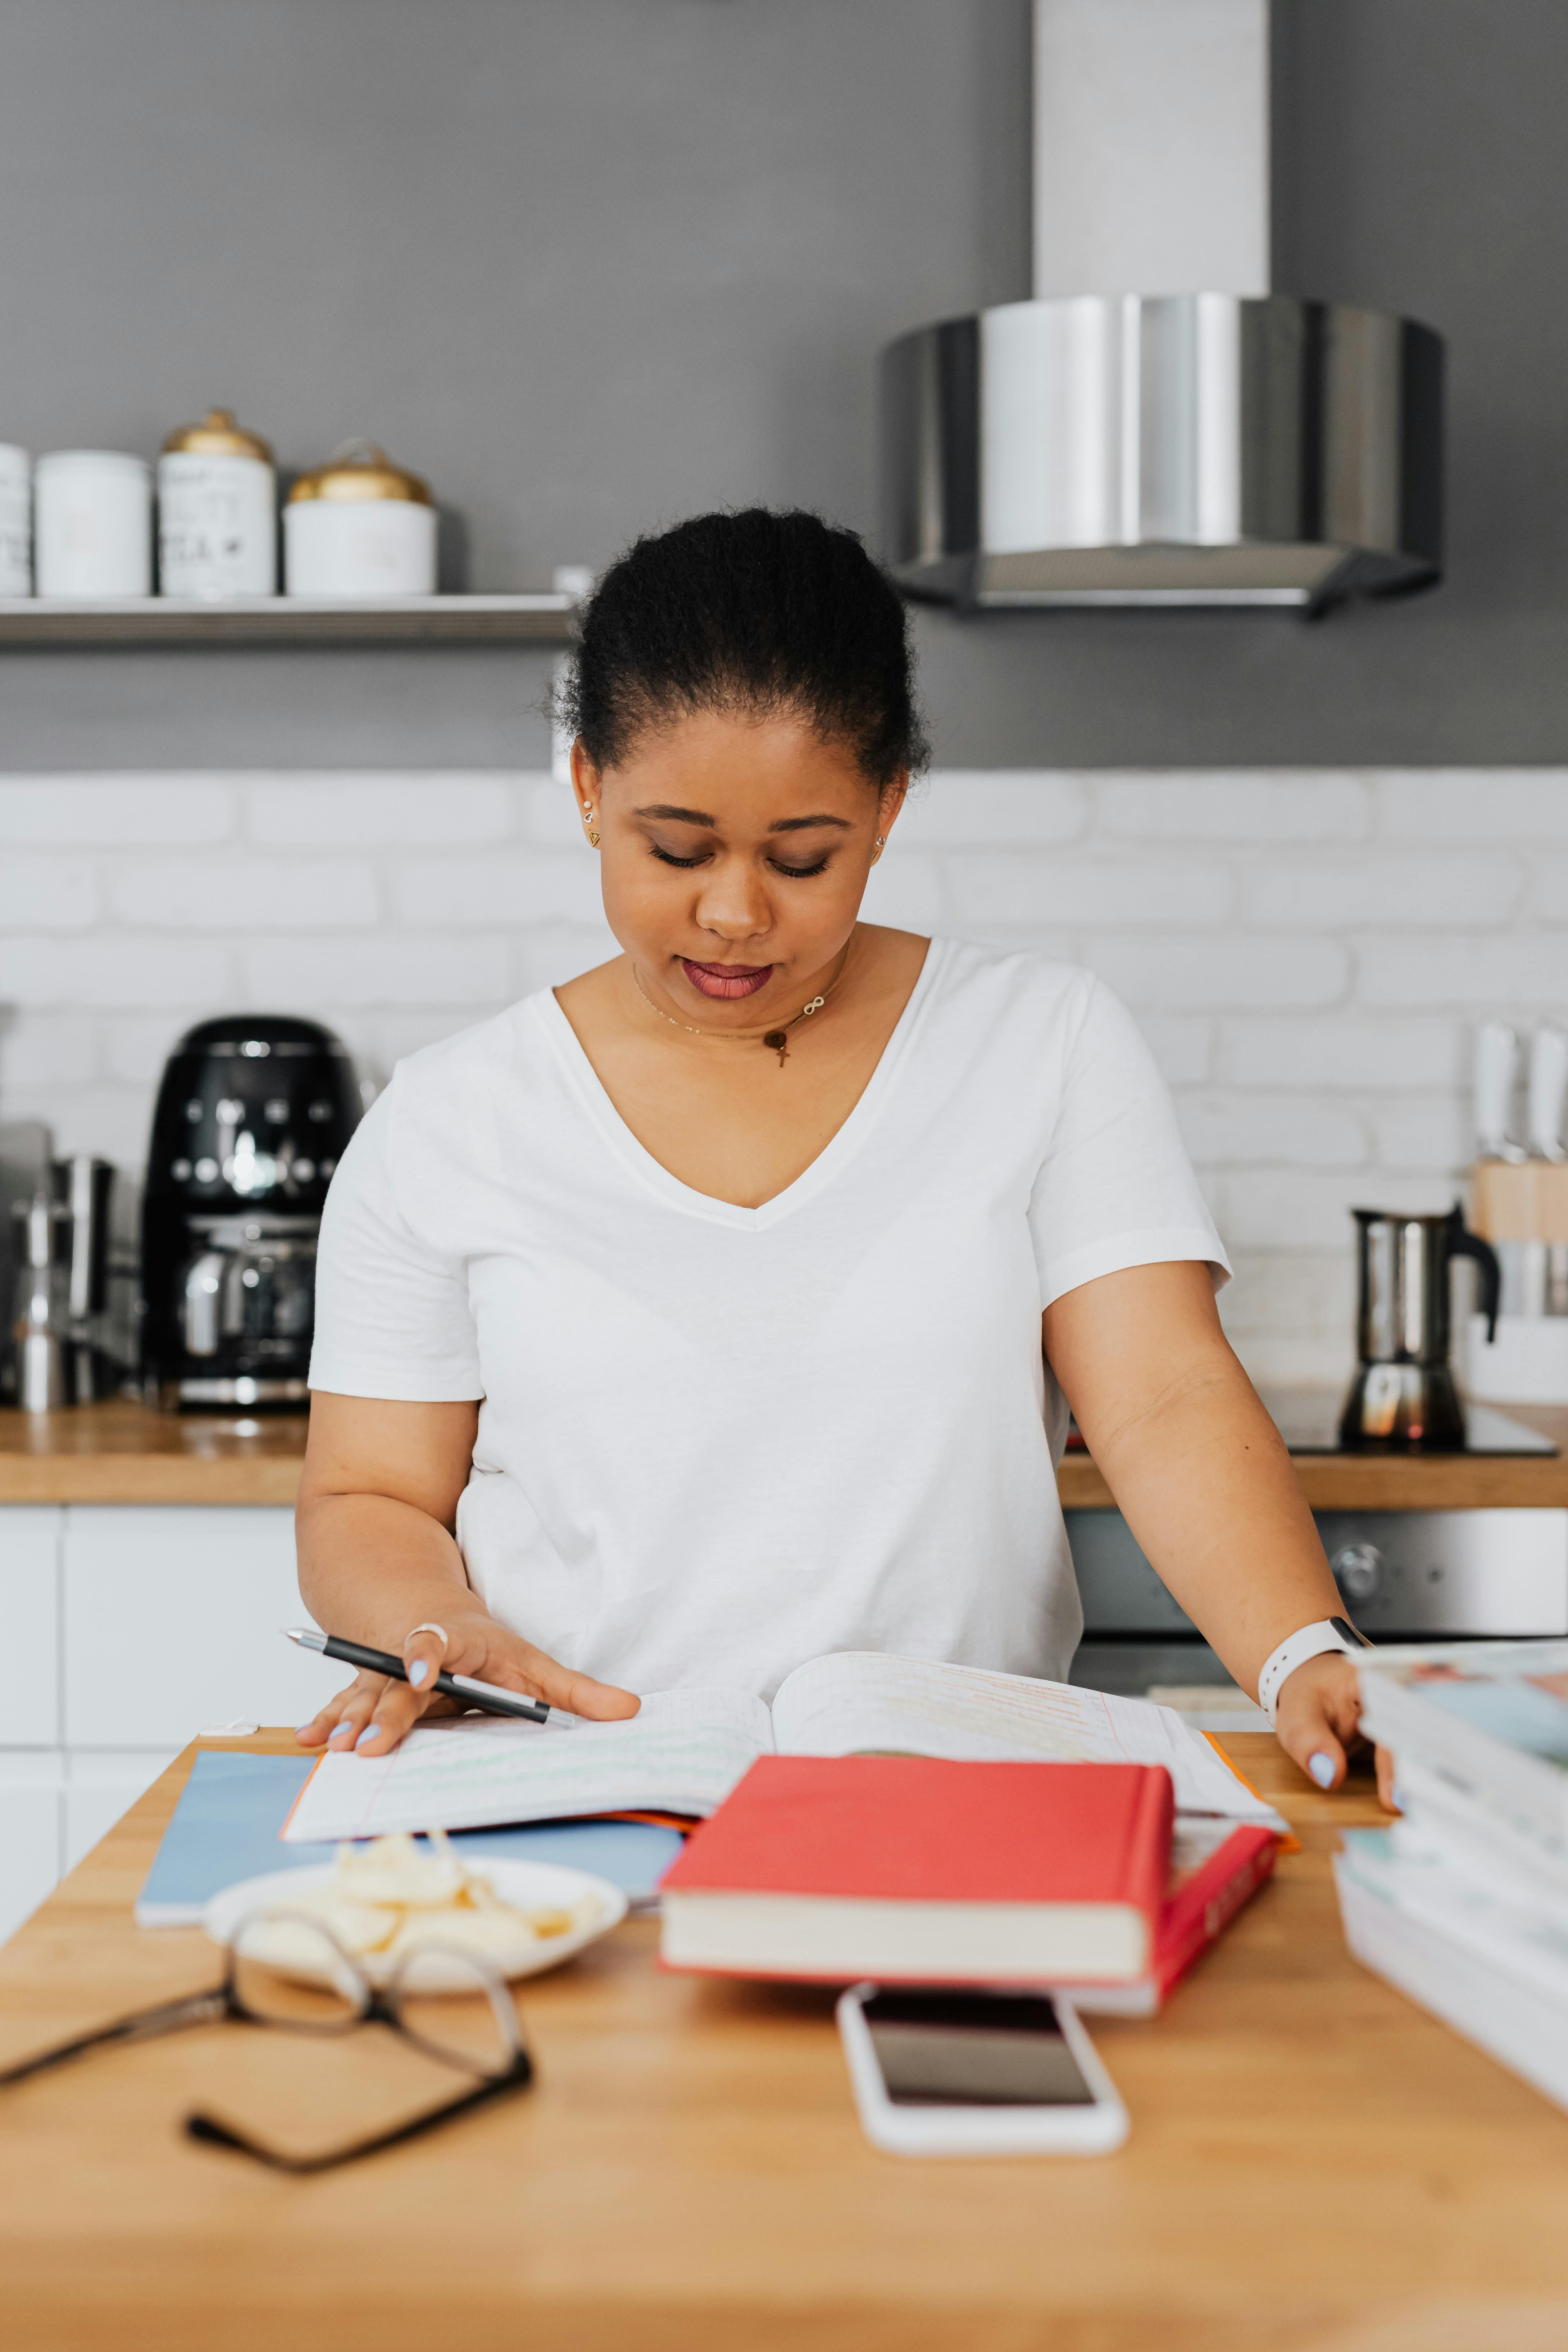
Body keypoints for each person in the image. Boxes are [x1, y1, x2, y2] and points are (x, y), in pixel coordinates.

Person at [295, 506, 1378, 1798]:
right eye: (676, 848)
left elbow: (1161, 1401)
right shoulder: (450, 1118)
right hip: (576, 1800)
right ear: (586, 787)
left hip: (968, 1802)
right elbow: (367, 1493)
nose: (736, 913)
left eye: (803, 857)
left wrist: (1299, 1647)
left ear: (887, 806)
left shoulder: (1044, 1043)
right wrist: (435, 1622)